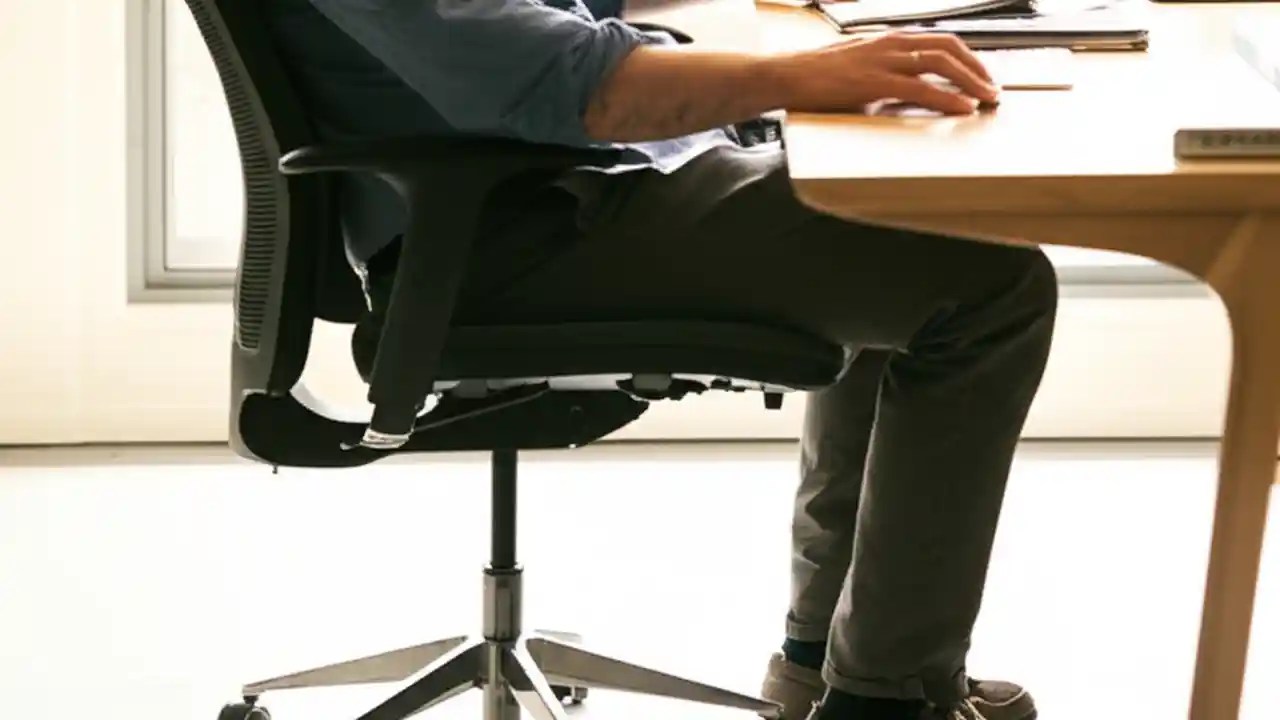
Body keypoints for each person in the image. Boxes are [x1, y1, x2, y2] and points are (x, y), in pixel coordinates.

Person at [263, 1, 1056, 718]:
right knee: (988, 281)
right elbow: (574, 85)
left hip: (552, 195)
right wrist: (804, 74)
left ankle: (828, 664)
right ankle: (883, 702)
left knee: (898, 224)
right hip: (526, 232)